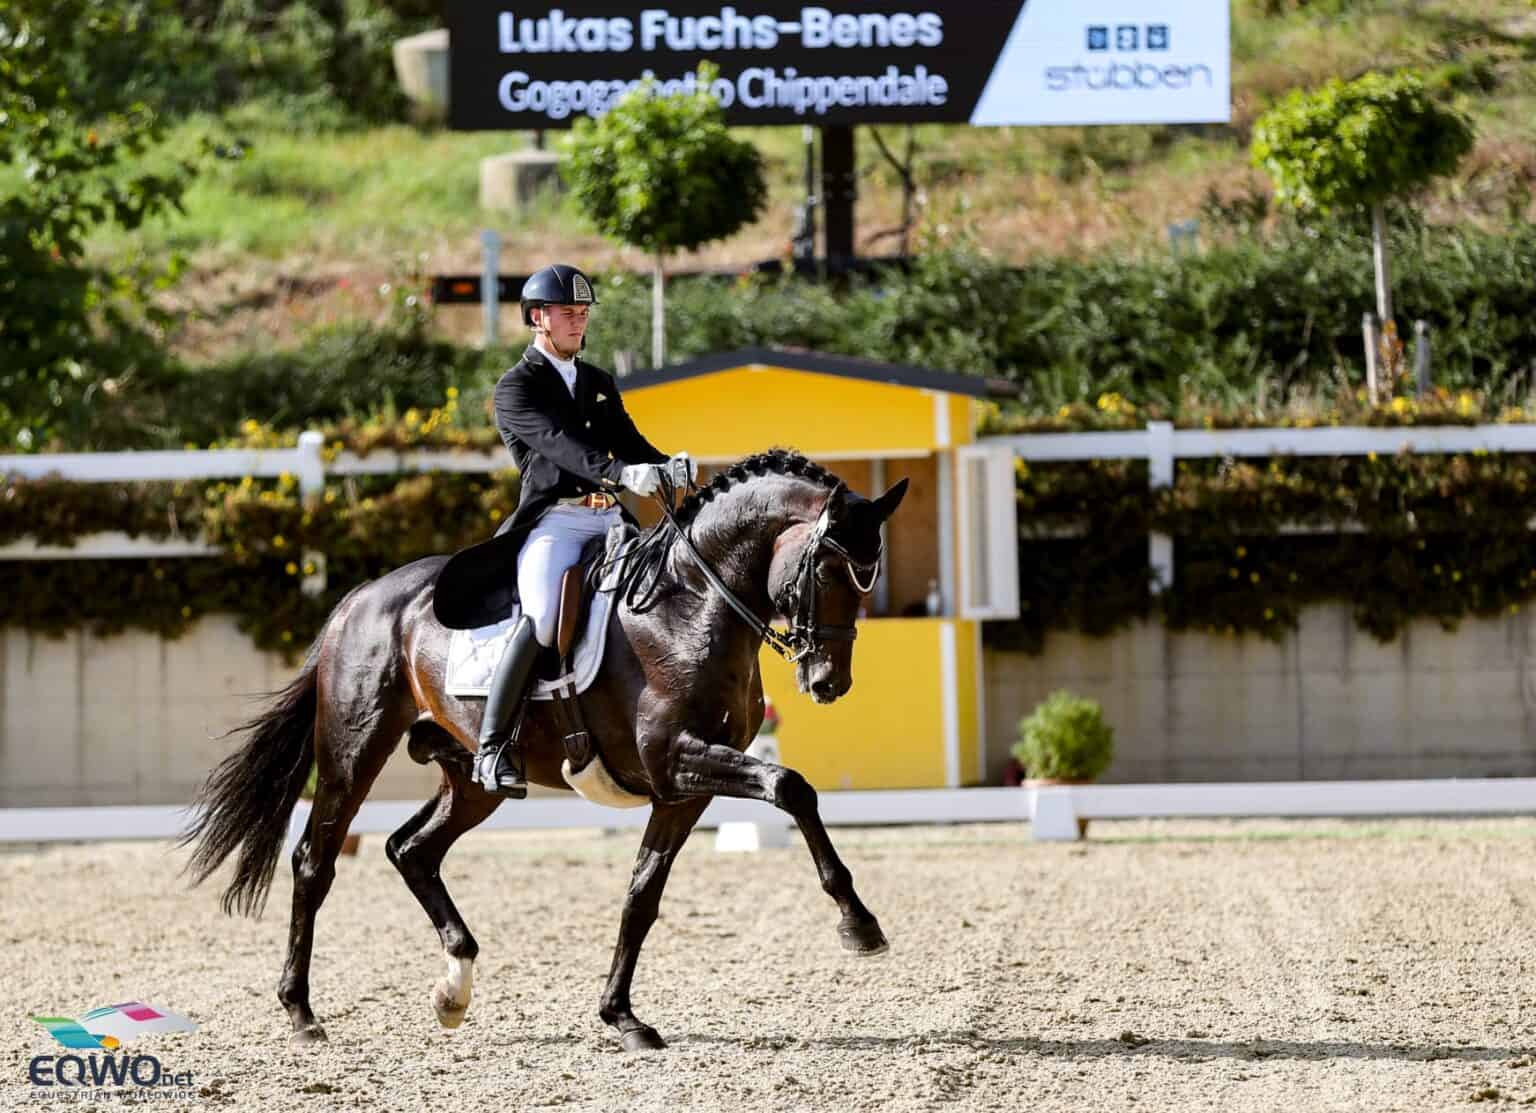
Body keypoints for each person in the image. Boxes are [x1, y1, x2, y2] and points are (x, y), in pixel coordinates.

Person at [431, 263, 695, 798]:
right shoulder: (516, 388)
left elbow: (629, 439)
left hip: (611, 519)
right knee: (546, 616)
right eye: (567, 314)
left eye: (583, 313)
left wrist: (667, 465)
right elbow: (560, 445)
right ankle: (492, 746)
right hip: (557, 521)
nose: (578, 322)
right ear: (537, 319)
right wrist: (623, 473)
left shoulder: (596, 381)